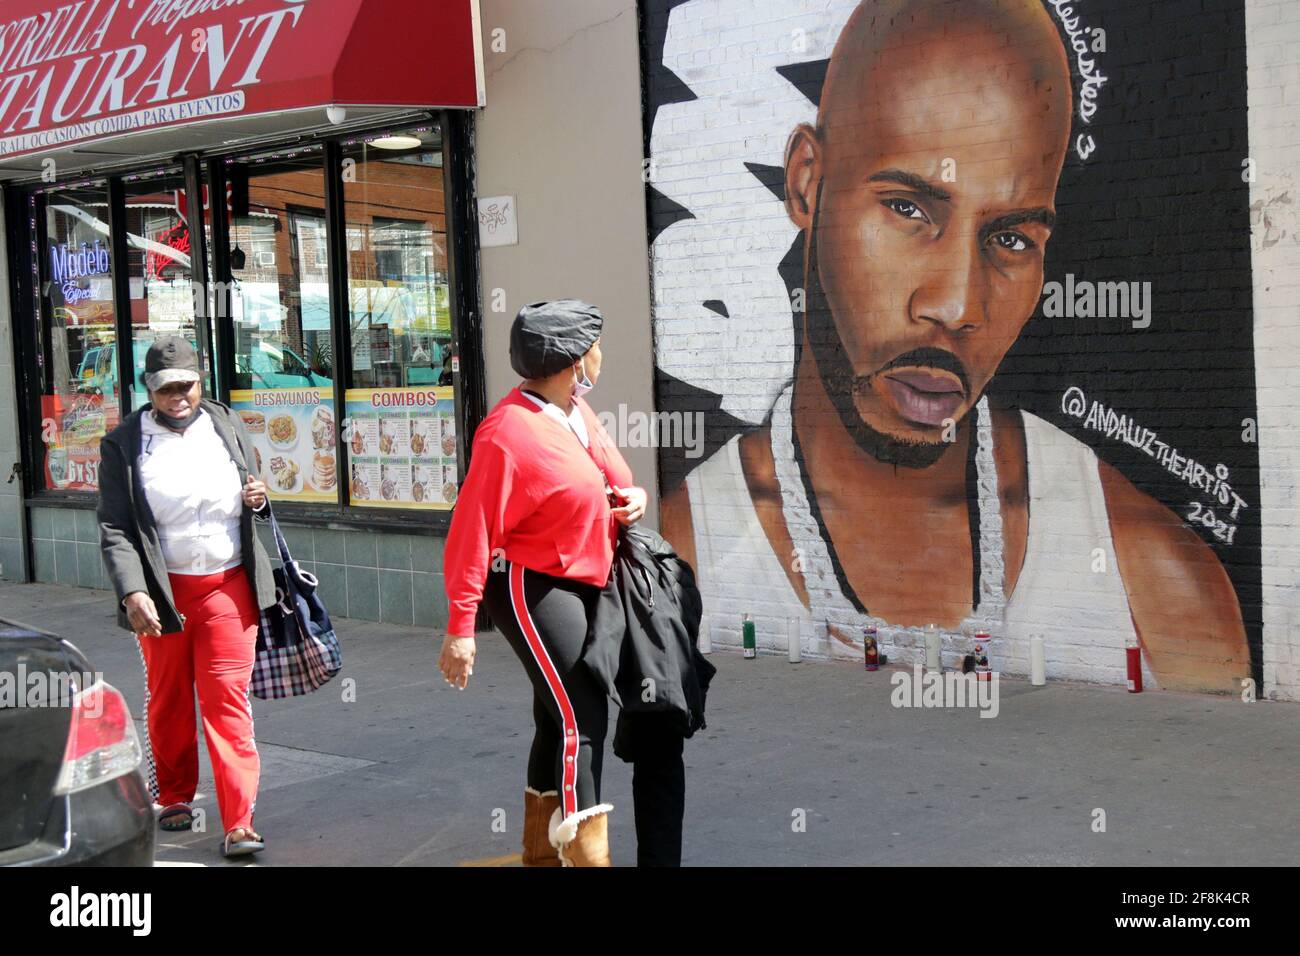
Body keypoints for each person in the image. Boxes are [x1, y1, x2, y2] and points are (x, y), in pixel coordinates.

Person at [661, 0, 1250, 693]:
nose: (956, 306)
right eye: (909, 209)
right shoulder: (688, 562)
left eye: (1011, 239)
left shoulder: (1155, 584)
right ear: (806, 183)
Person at [440, 299, 648, 866]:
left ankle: (539, 849)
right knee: (582, 714)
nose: (602, 356)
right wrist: (461, 629)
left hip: (586, 579)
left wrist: (633, 501)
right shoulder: (506, 432)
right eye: (595, 347)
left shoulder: (576, 409)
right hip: (532, 586)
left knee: (552, 713)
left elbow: (614, 479)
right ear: (572, 359)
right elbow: (471, 531)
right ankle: (585, 853)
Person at [98, 336, 278, 859]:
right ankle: (174, 796)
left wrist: (259, 497)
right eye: (165, 387)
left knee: (227, 703)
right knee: (170, 697)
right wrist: (132, 590)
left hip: (227, 585)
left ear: (202, 381)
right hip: (162, 592)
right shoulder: (125, 443)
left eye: (187, 384)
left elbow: (255, 494)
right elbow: (115, 525)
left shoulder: (224, 424)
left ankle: (240, 821)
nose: (178, 396)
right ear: (148, 389)